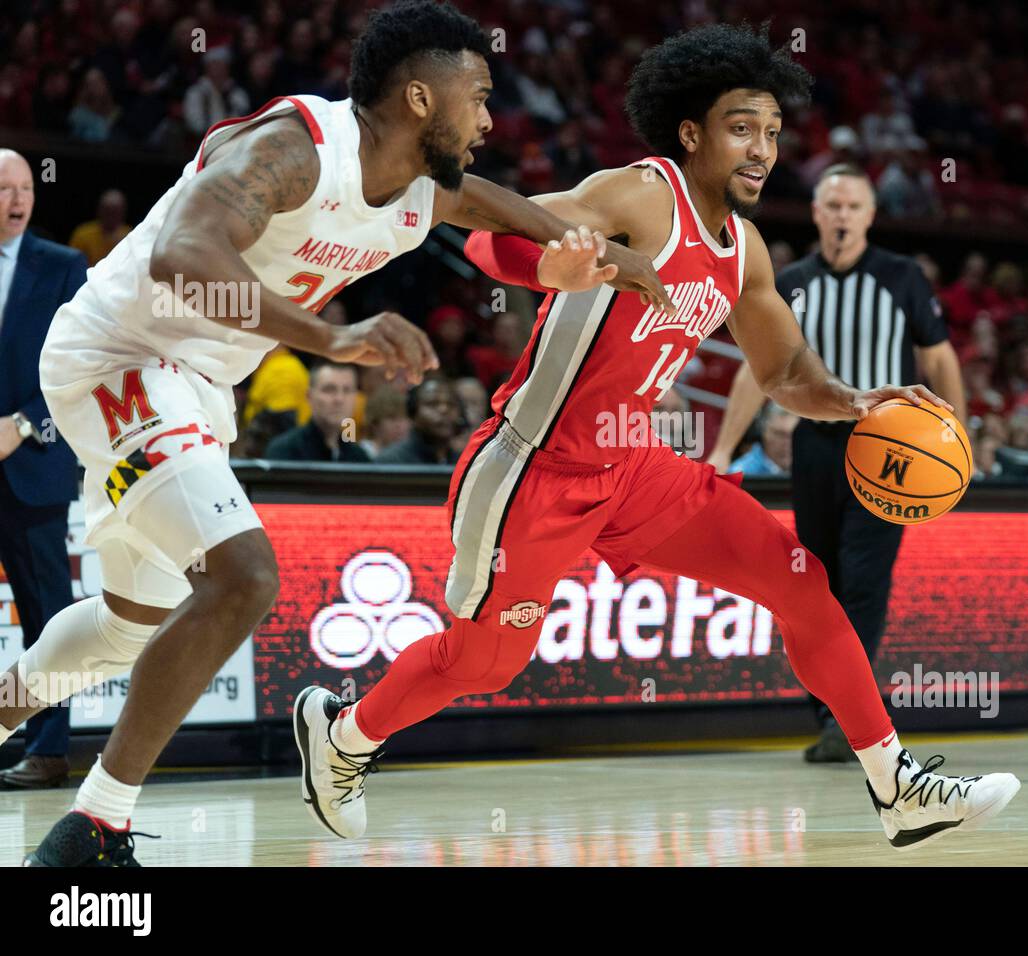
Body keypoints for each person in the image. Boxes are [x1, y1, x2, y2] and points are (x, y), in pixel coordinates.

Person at [294, 22, 1018, 853]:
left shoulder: (743, 251)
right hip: (536, 466)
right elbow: (492, 236)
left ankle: (899, 789)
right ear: (692, 132)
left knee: (801, 581)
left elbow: (786, 375)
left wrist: (859, 403)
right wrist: (555, 266)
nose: (761, 149)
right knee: (484, 662)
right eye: (742, 127)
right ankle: (345, 734)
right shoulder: (642, 193)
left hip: (635, 468)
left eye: (774, 133)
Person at [13, 0, 670, 868]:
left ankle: (5, 703)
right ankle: (95, 827)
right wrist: (333, 338)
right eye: (476, 95)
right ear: (420, 99)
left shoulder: (414, 191)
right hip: (121, 354)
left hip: (198, 381)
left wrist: (594, 249)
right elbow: (179, 259)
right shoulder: (294, 150)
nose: (488, 117)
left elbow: (485, 202)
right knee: (242, 578)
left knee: (135, 622)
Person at [708, 163, 964, 762]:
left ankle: (846, 721)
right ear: (817, 213)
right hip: (816, 445)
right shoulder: (790, 280)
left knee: (865, 582)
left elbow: (941, 359)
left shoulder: (902, 277)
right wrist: (722, 446)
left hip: (892, 450)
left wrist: (959, 435)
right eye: (833, 206)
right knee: (816, 582)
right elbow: (757, 369)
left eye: (854, 206)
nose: (843, 215)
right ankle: (831, 711)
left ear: (871, 215)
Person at [0, 149, 87, 790]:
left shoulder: (62, 267)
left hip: (33, 463)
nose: (16, 198)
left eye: (25, 186)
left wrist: (25, 424)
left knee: (48, 615)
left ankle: (50, 747)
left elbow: (81, 362)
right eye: (4, 187)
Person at [264, 362, 370, 462]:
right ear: (309, 396)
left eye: (347, 390)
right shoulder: (284, 451)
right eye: (329, 389)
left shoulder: (358, 458)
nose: (339, 399)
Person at [375, 377, 466, 464]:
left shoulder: (464, 462)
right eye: (432, 404)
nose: (444, 410)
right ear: (413, 413)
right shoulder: (390, 461)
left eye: (451, 404)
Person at [726, 403, 797, 476]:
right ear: (763, 432)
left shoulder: (806, 468)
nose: (788, 442)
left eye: (795, 434)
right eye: (779, 434)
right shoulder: (740, 473)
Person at [68, 189, 131, 267]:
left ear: (123, 212)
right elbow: (73, 264)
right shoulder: (82, 235)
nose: (111, 216)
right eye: (107, 211)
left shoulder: (130, 236)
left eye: (115, 211)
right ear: (99, 210)